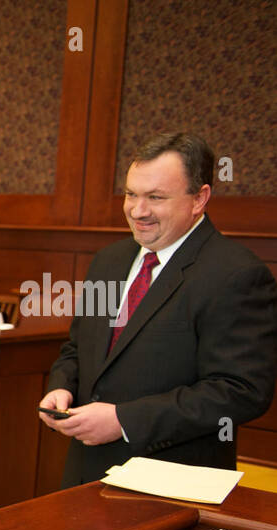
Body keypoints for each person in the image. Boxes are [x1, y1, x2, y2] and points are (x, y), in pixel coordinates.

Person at [39, 132, 277, 487]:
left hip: (172, 484)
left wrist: (124, 420)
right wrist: (61, 387)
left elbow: (240, 391)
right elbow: (77, 348)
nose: (138, 211)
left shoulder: (237, 274)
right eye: (131, 194)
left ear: (200, 198)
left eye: (156, 197)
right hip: (86, 473)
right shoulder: (108, 261)